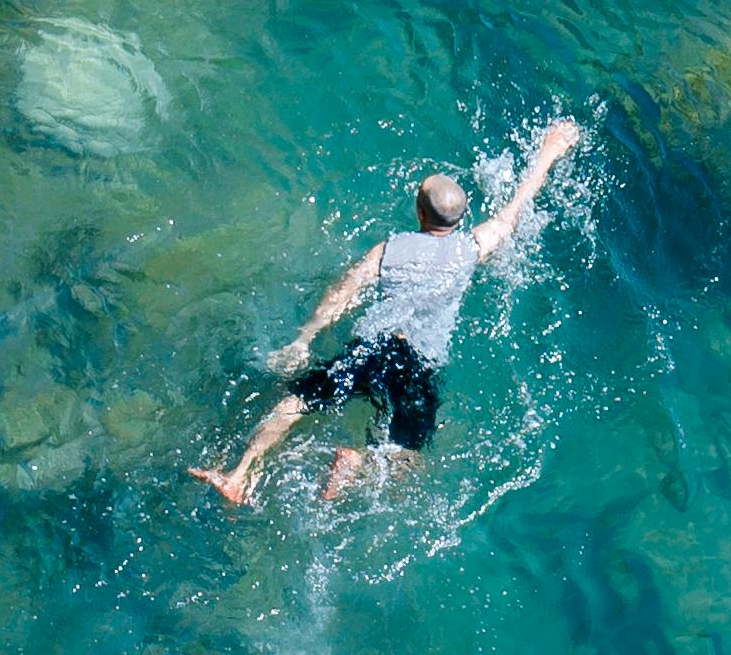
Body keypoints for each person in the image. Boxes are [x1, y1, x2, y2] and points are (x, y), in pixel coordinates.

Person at [193, 120, 584, 505]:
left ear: (419, 213)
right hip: (417, 361)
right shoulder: (471, 249)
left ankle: (239, 475)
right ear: (461, 218)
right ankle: (358, 464)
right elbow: (514, 211)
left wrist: (303, 339)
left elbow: (341, 294)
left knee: (295, 404)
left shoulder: (388, 250)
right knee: (410, 459)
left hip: (373, 346)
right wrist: (549, 151)